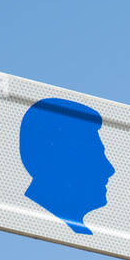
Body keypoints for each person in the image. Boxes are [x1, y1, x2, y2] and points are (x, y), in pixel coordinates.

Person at [18, 97, 115, 235]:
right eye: (94, 157)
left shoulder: (76, 232)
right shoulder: (25, 216)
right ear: (56, 160)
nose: (109, 170)